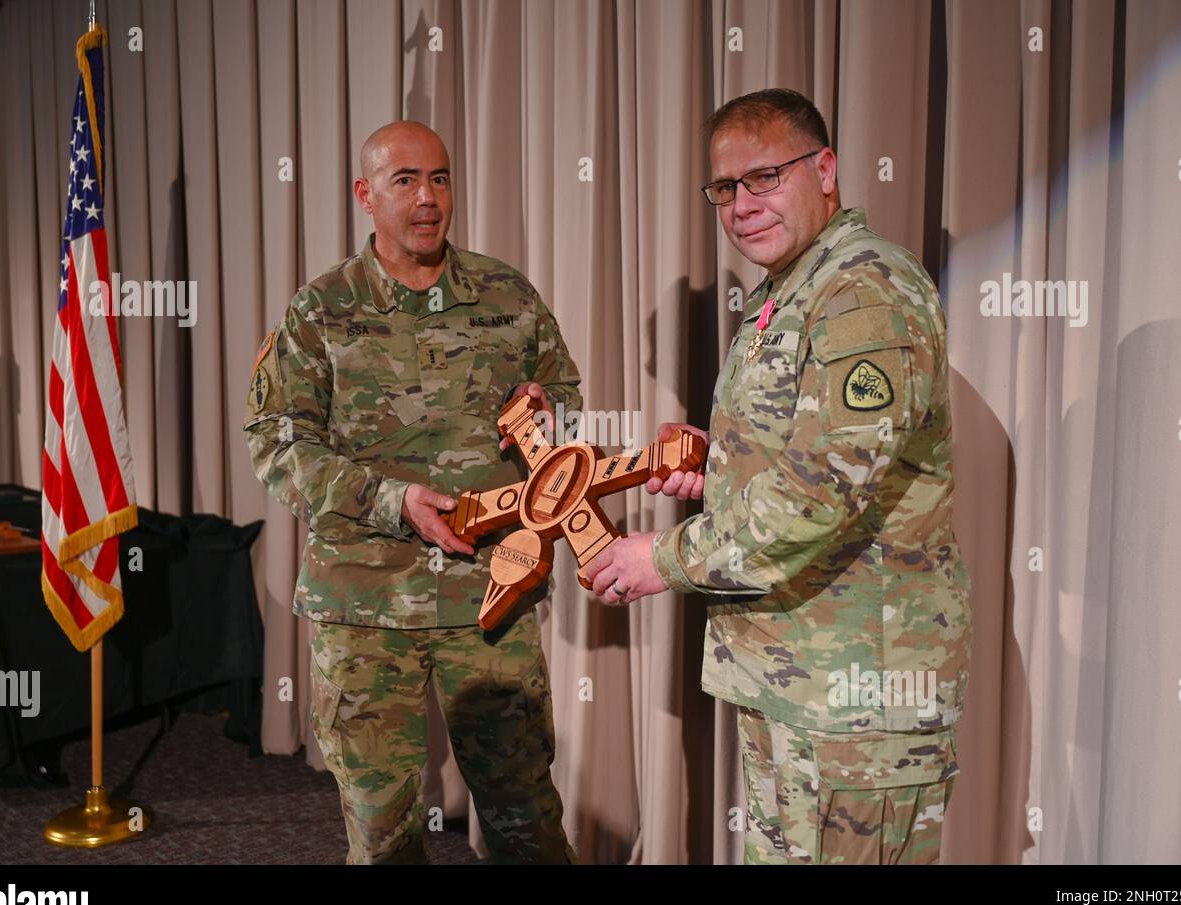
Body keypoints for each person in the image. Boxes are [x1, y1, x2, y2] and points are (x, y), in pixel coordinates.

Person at [585, 88, 973, 864]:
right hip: (799, 680)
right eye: (725, 188)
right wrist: (718, 461)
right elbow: (810, 456)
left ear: (825, 169)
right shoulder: (790, 290)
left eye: (764, 177)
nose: (741, 205)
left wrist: (658, 559)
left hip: (859, 697)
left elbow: (820, 493)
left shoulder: (863, 291)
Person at [244, 120, 581, 864]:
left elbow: (565, 407)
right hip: (365, 605)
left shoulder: (506, 295)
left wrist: (551, 417)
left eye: (440, 178)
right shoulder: (320, 310)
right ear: (366, 195)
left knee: (525, 813)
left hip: (491, 591)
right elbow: (278, 442)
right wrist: (392, 502)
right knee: (384, 829)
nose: (428, 199)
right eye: (405, 181)